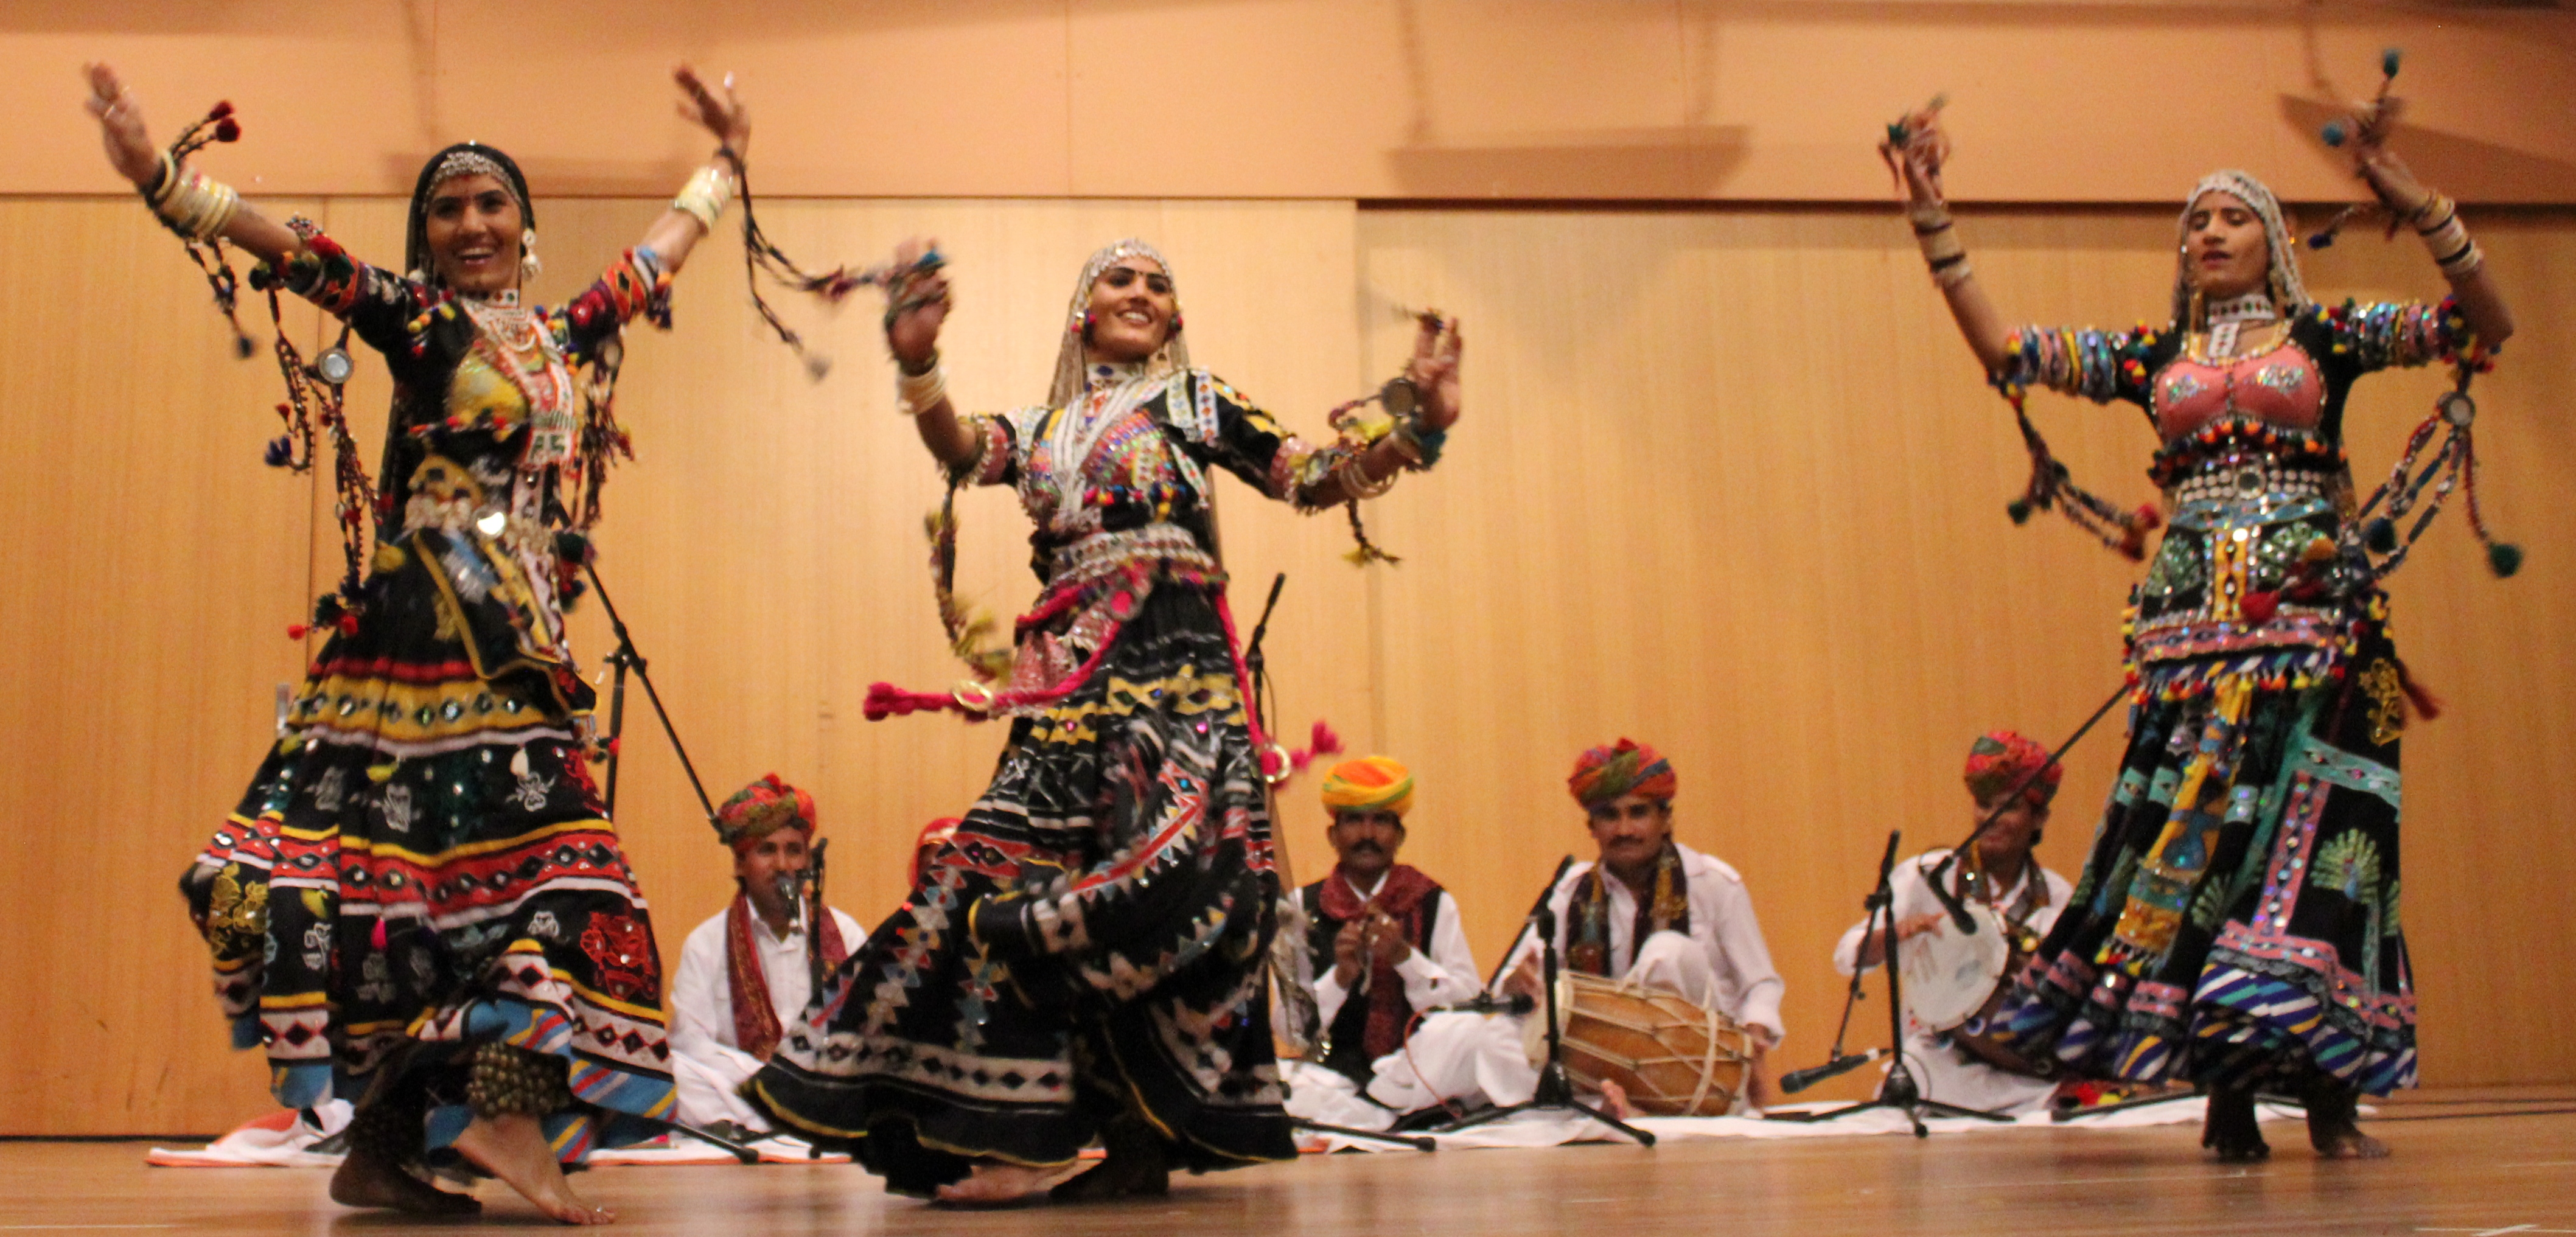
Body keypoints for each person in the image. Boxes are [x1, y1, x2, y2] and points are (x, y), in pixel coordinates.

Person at [97, 60, 758, 1223]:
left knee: (453, 909)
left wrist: (725, 163)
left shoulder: (558, 336)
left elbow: (652, 262)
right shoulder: (419, 321)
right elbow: (300, 254)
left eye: (490, 203)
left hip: (518, 646)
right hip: (430, 647)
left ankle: (390, 1146)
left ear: (525, 227)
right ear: (426, 238)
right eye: (446, 208)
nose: (469, 223)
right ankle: (503, 1122)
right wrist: (163, 178)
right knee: (573, 885)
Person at [750, 239, 1464, 1204]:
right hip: (1069, 687)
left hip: (1179, 680)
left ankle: (1138, 1137)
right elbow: (962, 449)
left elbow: (1306, 475)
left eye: (1158, 285)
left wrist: (1413, 424)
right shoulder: (1042, 426)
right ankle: (1015, 1133)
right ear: (1082, 312)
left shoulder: (1197, 402)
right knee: (1004, 881)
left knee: (1176, 886)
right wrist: (918, 362)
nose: (1140, 294)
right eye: (1118, 281)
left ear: (1173, 320)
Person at [1890, 98, 2514, 1160]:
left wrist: (2414, 201)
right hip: (2187, 648)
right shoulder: (2153, 356)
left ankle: (2325, 1090)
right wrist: (1931, 219)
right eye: (2195, 222)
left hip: (2320, 633)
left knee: (2318, 852)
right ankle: (2225, 1094)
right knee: (2196, 855)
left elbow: (2480, 325)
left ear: (2272, 244)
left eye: (2232, 218)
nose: (2209, 233)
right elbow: (2006, 351)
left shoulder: (2329, 335)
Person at [1374, 739, 1784, 1117]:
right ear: (1591, 827)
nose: (1624, 829)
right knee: (1484, 1034)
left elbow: (1761, 984)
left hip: (1696, 1065)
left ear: (1665, 819)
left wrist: (1755, 1038)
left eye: (1637, 812)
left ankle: (1639, 1103)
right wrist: (1519, 983)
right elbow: (1511, 981)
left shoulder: (1711, 883)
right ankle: (1604, 1103)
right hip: (1598, 1057)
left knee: (1668, 952)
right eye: (1609, 815)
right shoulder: (1570, 891)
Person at [1831, 731, 2076, 1116]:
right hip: (1938, 1062)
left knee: (2069, 1099)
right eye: (1983, 804)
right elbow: (1849, 954)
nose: (1990, 818)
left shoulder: (2057, 899)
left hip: (2020, 1072)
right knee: (1911, 1079)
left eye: (2008, 807)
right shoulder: (1929, 875)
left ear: (2039, 817)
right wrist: (1897, 933)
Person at [1280, 756, 1480, 1129]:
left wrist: (1406, 958)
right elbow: (1290, 1029)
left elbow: (1469, 1007)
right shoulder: (1301, 907)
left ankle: (1385, 1109)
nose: (1367, 834)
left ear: (1400, 836)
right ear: (1333, 835)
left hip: (1417, 1074)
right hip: (1334, 1080)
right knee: (1278, 1086)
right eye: (1354, 820)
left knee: (1473, 1041)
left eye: (1381, 821)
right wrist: (1340, 977)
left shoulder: (1433, 902)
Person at [668, 777, 864, 1139]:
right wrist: (770, 1080)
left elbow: (870, 1029)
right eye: (767, 851)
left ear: (808, 860)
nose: (782, 865)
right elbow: (689, 1041)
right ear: (740, 863)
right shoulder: (705, 943)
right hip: (747, 1088)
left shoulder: (847, 935)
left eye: (794, 850)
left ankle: (768, 1125)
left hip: (827, 1087)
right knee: (671, 1071)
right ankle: (784, 1122)